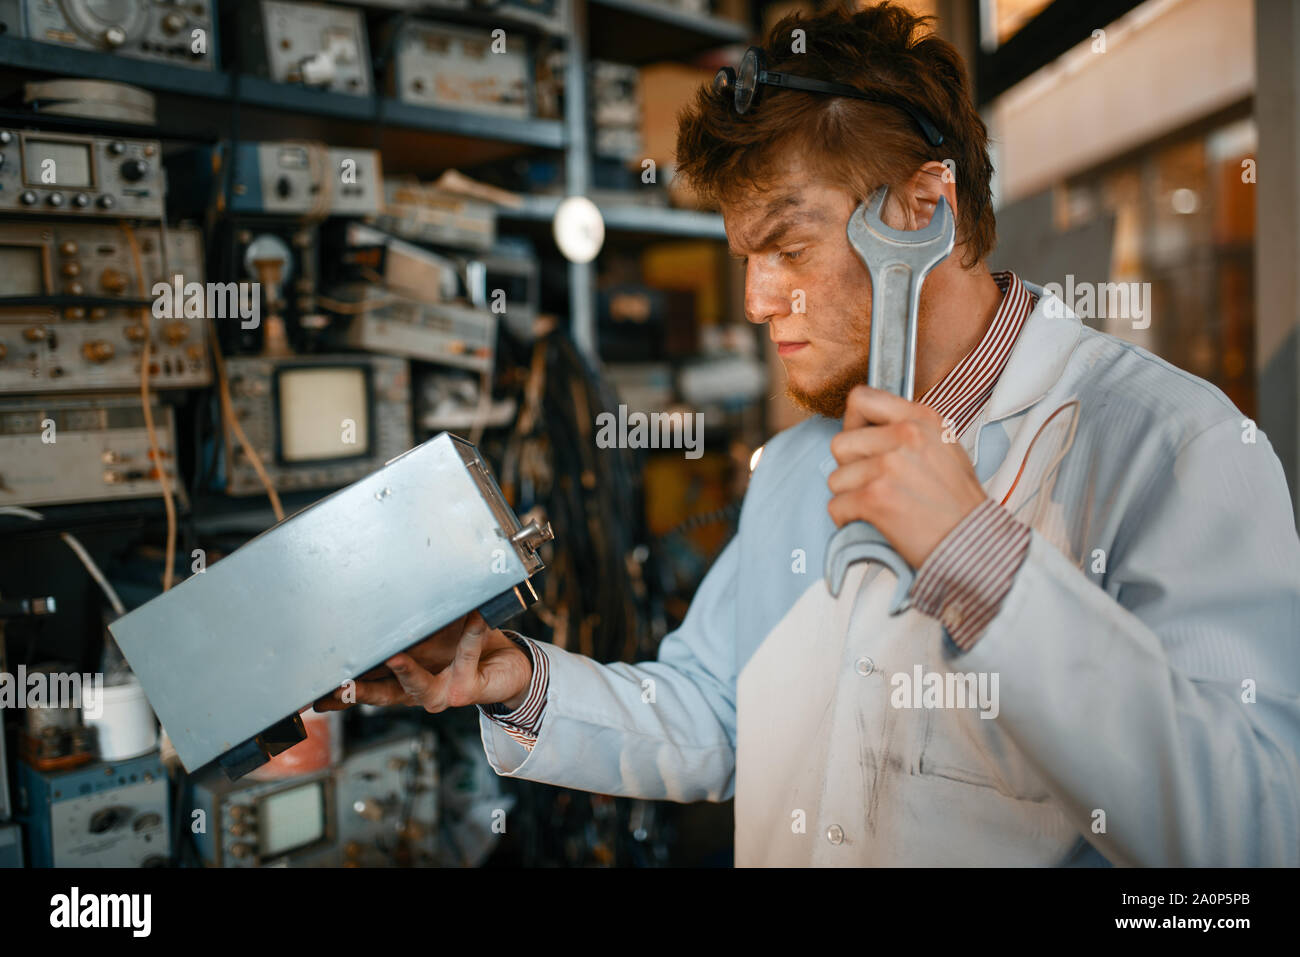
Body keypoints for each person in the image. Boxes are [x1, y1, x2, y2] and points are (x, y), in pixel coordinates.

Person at [316, 3, 1300, 865]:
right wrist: (520, 679)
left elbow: (1257, 832)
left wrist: (984, 564)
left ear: (924, 205)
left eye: (786, 246)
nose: (753, 299)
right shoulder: (794, 465)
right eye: (743, 255)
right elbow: (715, 711)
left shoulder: (1172, 447)